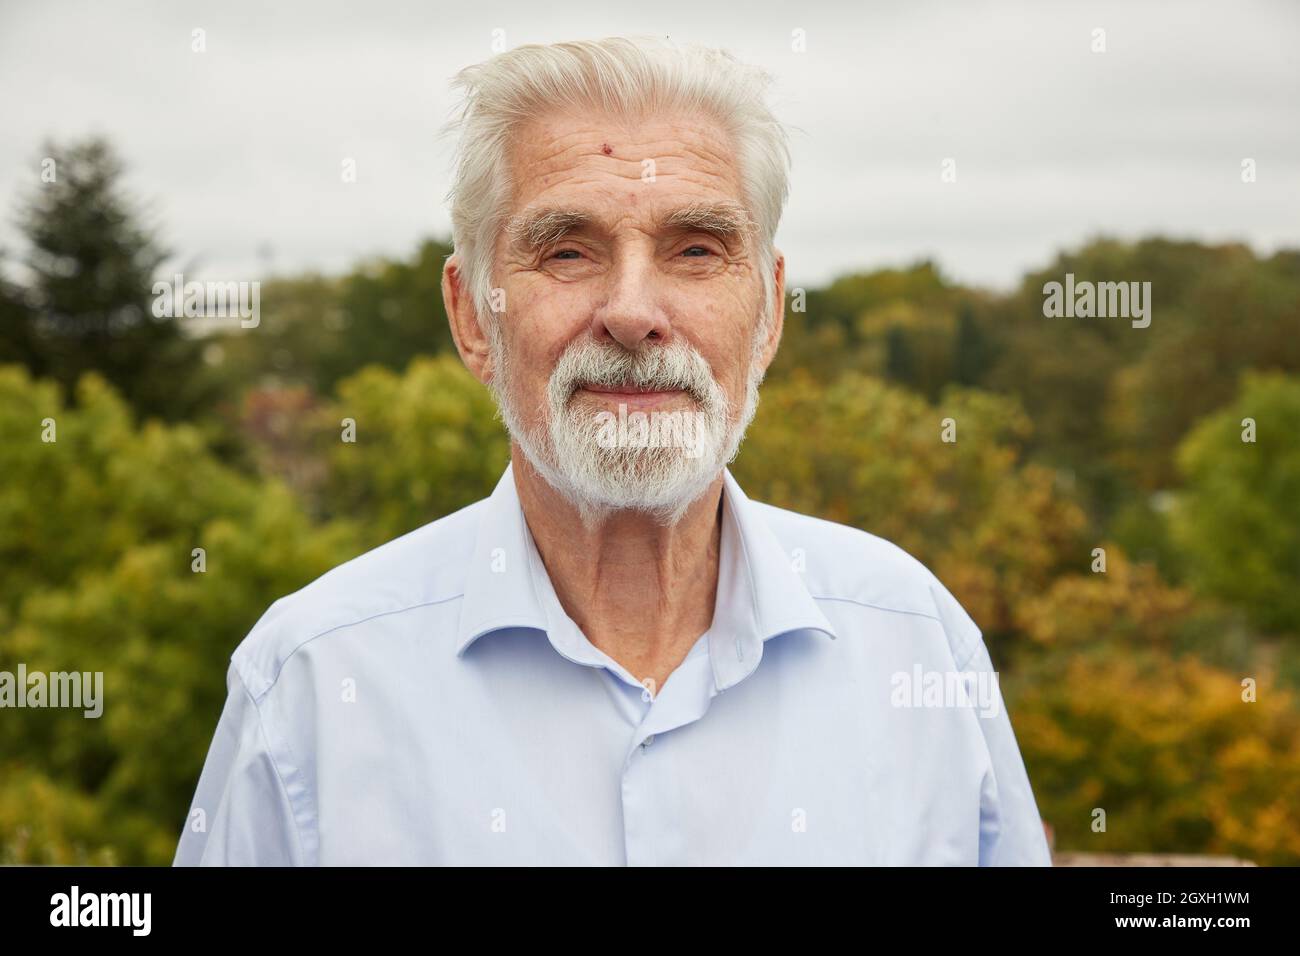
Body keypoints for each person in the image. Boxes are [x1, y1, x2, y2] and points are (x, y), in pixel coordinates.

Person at [174, 35, 1051, 866]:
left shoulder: (917, 645)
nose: (632, 312)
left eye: (697, 250)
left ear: (770, 312)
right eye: (567, 252)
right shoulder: (311, 683)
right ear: (472, 315)